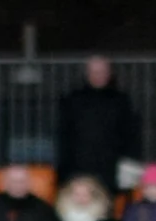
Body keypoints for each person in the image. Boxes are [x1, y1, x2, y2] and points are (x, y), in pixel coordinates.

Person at [55, 55, 142, 191]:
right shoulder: (73, 100)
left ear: (109, 73)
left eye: (102, 71)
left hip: (111, 168)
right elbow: (64, 136)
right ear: (87, 73)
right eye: (94, 72)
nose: (98, 75)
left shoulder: (121, 101)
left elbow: (131, 135)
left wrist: (129, 165)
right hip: (78, 168)